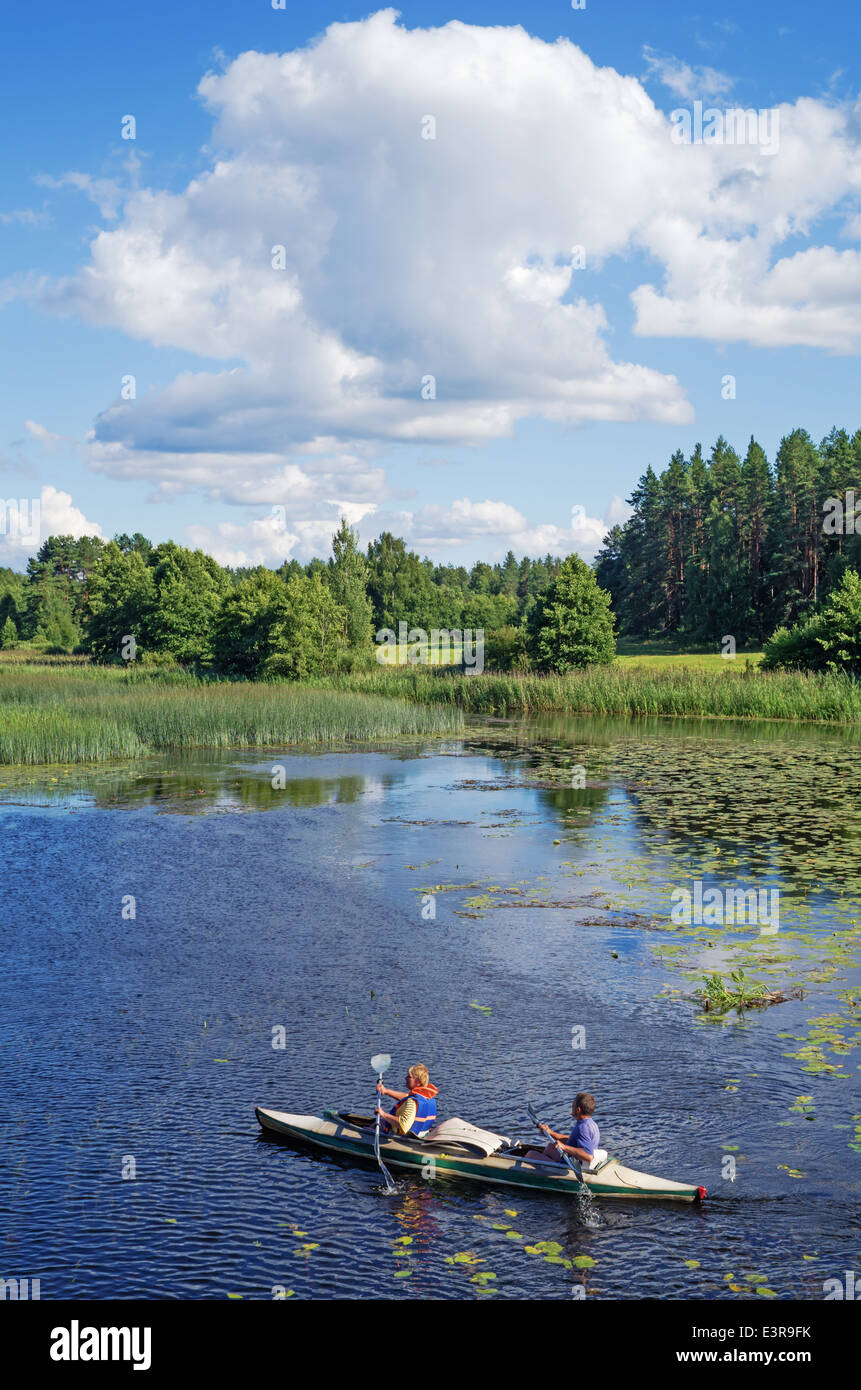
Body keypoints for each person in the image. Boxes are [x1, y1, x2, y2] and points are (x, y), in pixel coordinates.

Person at [526, 1091, 600, 1167]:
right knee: (550, 1147)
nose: (571, 1108)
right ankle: (543, 1167)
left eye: (573, 1106)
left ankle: (545, 1170)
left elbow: (589, 1156)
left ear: (578, 1110)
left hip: (570, 1166)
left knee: (530, 1154)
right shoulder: (591, 1124)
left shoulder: (582, 1128)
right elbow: (572, 1139)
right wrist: (550, 1132)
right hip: (574, 1159)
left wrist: (564, 1147)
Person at [375, 1063, 438, 1138]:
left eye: (409, 1077)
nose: (405, 1078)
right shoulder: (427, 1096)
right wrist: (386, 1091)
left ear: (418, 1082)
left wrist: (383, 1114)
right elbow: (406, 1097)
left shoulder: (412, 1102)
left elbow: (403, 1125)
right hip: (422, 1135)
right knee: (378, 1123)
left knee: (369, 1128)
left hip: (403, 1138)